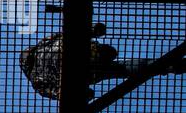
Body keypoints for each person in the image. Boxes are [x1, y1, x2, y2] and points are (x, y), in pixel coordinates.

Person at [19, 22, 186, 101]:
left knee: (122, 69)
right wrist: (92, 31)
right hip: (85, 53)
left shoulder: (36, 82)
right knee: (117, 60)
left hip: (85, 74)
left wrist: (82, 95)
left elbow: (57, 93)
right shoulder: (42, 45)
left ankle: (168, 66)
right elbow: (69, 33)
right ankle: (168, 64)